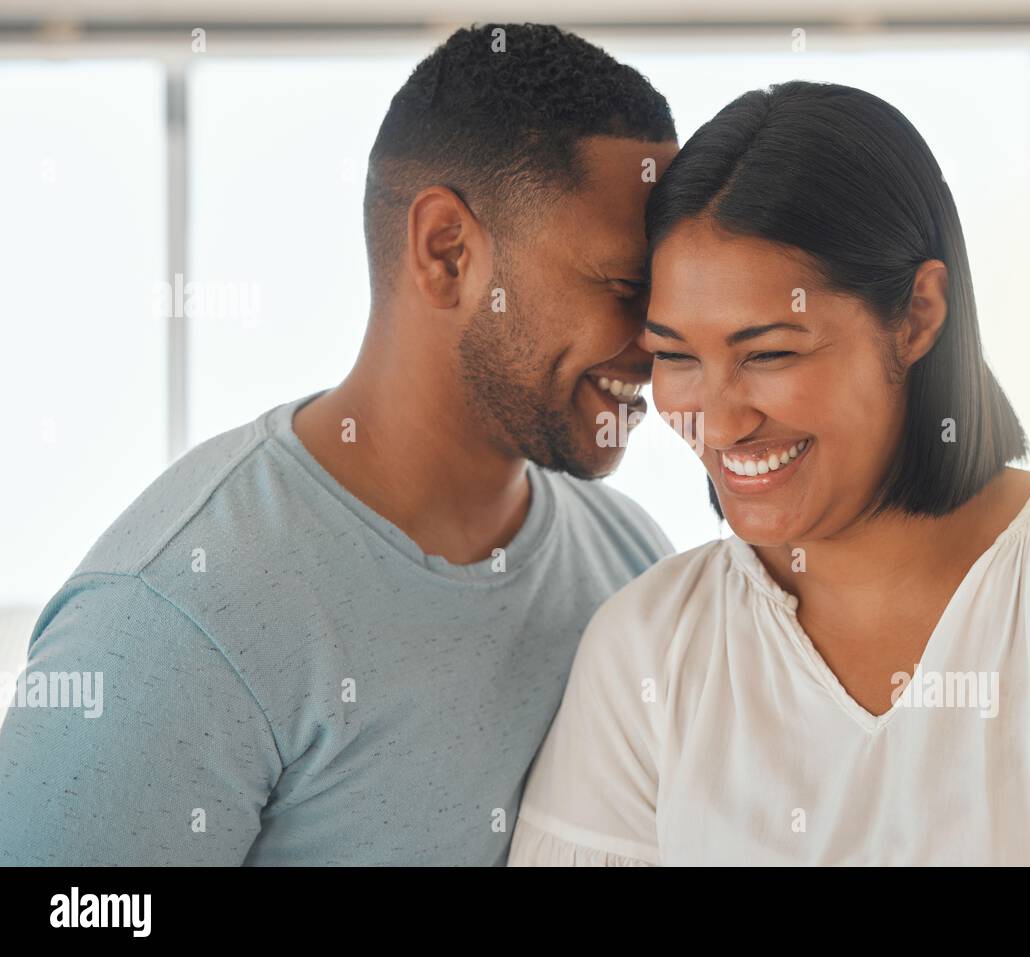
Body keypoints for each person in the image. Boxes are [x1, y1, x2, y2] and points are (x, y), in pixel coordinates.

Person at [508, 80, 1030, 866]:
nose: (716, 420)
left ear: (918, 314)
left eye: (771, 352)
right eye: (676, 355)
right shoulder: (648, 650)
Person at [0, 23, 678, 865]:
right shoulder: (175, 612)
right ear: (447, 253)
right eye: (624, 285)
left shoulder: (632, 565)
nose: (661, 339)